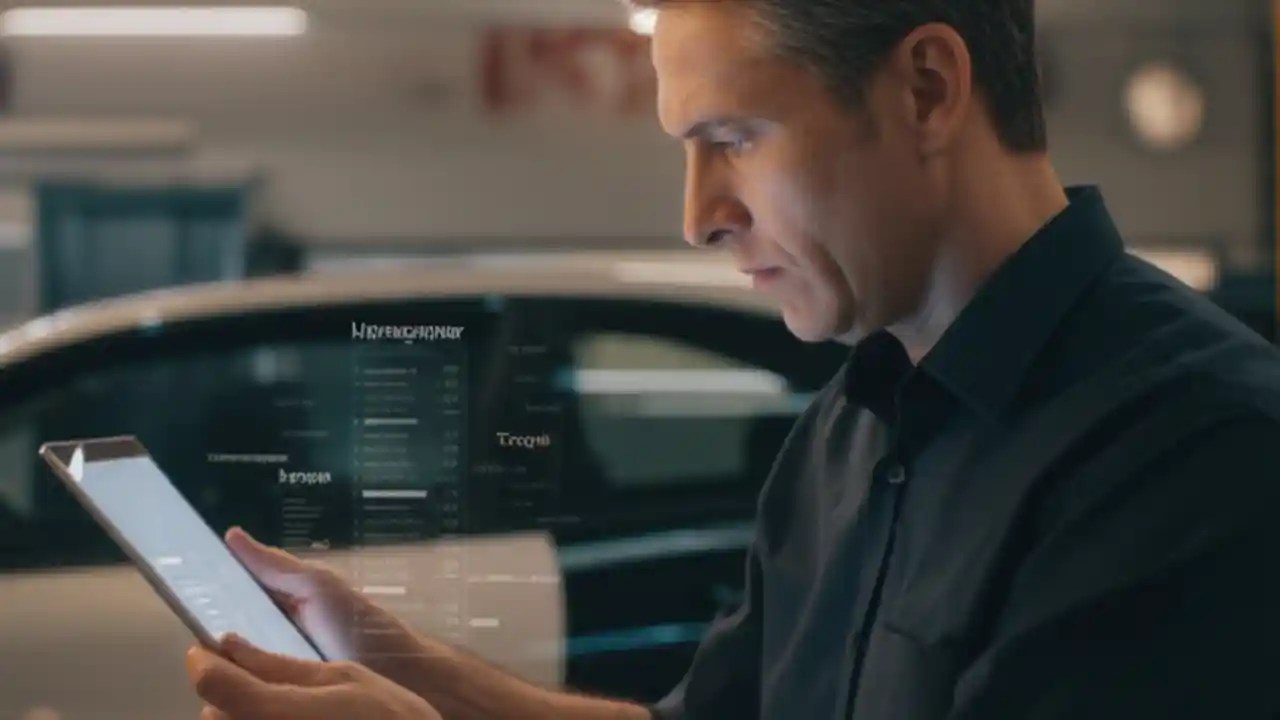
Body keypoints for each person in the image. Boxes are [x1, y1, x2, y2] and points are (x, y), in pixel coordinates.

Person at [186, 0, 1280, 718]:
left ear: (927, 90)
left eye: (736, 140)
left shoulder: (1201, 454)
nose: (699, 216)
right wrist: (399, 662)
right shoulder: (852, 430)